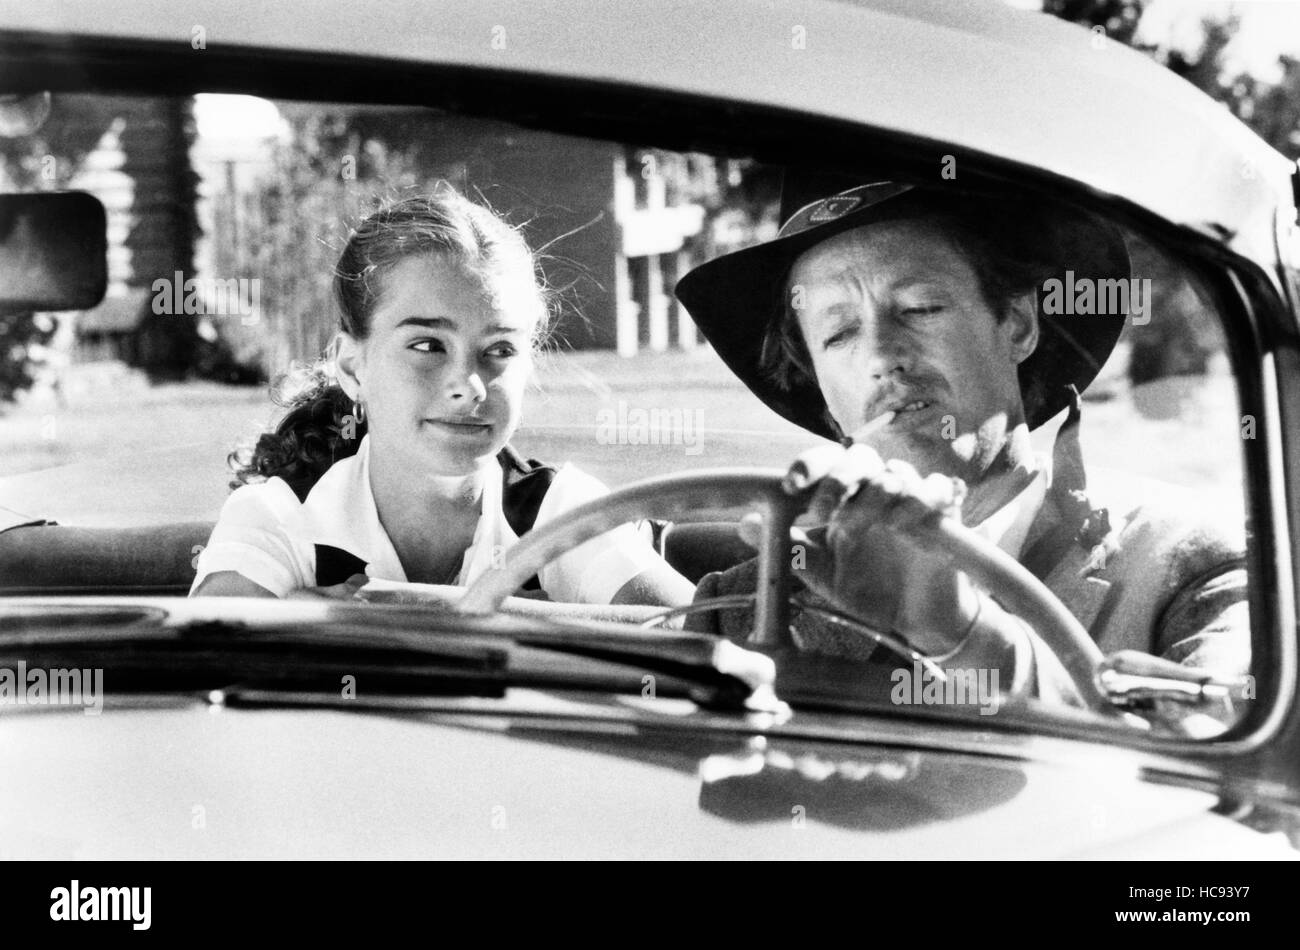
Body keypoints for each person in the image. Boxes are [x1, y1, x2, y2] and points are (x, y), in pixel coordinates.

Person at [674, 181, 1250, 732]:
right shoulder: (748, 607)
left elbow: (1208, 767)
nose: (882, 356)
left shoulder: (1187, 564)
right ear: (819, 388)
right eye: (841, 332)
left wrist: (965, 635)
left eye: (920, 308)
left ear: (1018, 324)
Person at [192, 188, 694, 611]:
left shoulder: (559, 512)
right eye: (428, 346)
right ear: (352, 367)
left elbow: (705, 645)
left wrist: (417, 617)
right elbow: (201, 670)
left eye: (498, 350)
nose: (469, 385)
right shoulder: (280, 514)